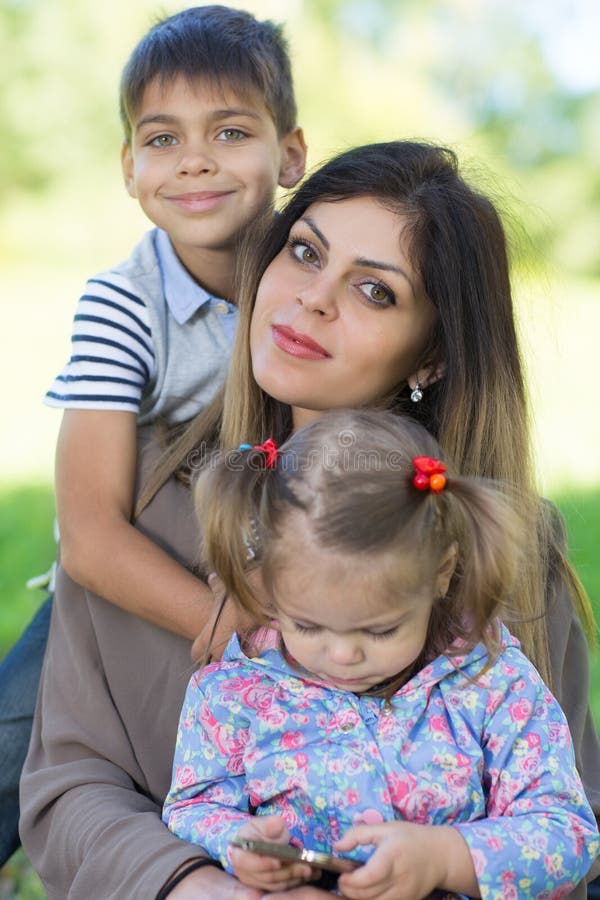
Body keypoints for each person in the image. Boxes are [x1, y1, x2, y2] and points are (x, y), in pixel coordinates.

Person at [20, 141, 600, 899]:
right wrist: (207, 889)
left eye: (375, 292)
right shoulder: (135, 500)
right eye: (304, 252)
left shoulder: (501, 540)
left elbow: (568, 835)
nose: (312, 299)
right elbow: (70, 788)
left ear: (432, 357)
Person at [0, 3, 306, 869]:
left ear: (290, 154)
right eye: (162, 139)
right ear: (129, 167)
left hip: (275, 566)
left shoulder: (309, 279)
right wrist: (227, 619)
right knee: (18, 727)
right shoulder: (124, 303)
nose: (195, 159)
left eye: (232, 130)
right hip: (129, 589)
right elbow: (90, 534)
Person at [163, 409, 599, 898]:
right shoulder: (234, 694)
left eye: (381, 630)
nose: (344, 654)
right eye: (307, 625)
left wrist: (443, 858)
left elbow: (566, 832)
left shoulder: (493, 686)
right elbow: (194, 805)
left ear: (441, 572)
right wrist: (238, 841)